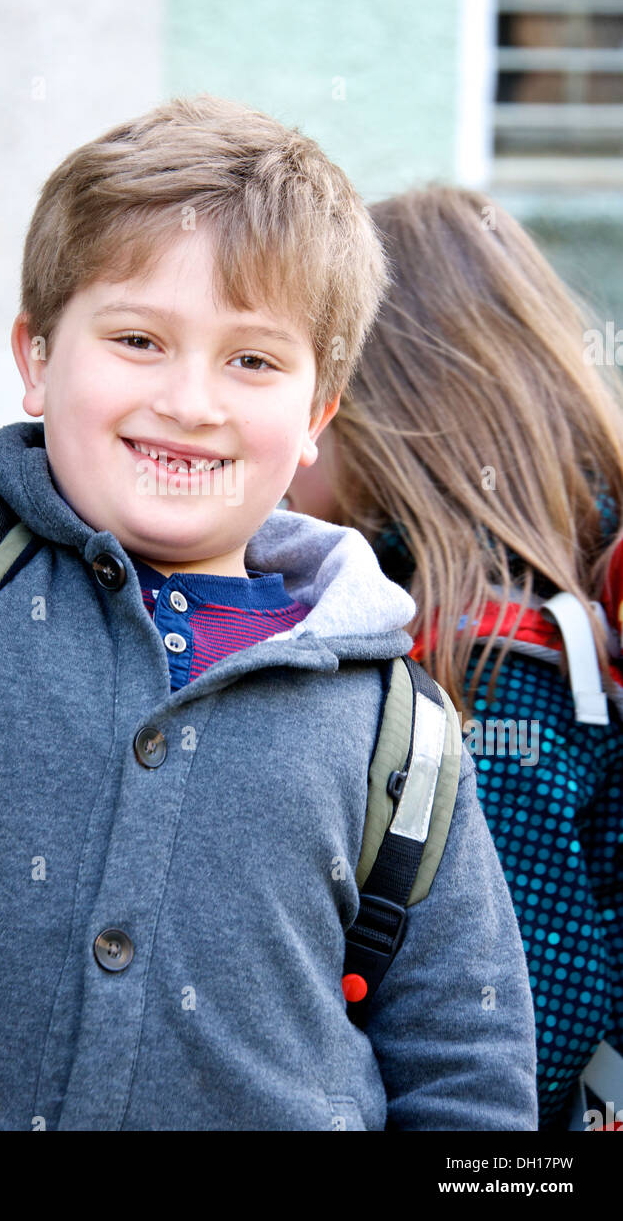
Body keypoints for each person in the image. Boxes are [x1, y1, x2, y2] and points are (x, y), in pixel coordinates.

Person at [0, 0, 536, 1130]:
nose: (192, 399)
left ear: (319, 410)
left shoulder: (403, 737)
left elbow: (471, 1088)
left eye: (253, 359)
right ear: (33, 355)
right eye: (136, 337)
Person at [286, 184, 623, 1131]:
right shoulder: (576, 601)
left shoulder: (491, 664)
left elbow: (522, 1025)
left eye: (314, 389)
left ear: (391, 415)